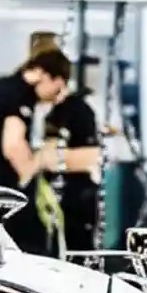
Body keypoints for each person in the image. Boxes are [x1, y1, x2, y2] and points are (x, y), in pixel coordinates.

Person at [0, 48, 74, 255]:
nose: (55, 98)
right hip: (1, 195)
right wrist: (37, 163)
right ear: (44, 75)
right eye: (57, 89)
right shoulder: (18, 94)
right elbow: (13, 147)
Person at [41, 88, 104, 254]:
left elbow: (90, 156)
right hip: (54, 193)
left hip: (76, 194)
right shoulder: (49, 110)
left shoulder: (78, 110)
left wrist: (51, 159)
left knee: (78, 247)